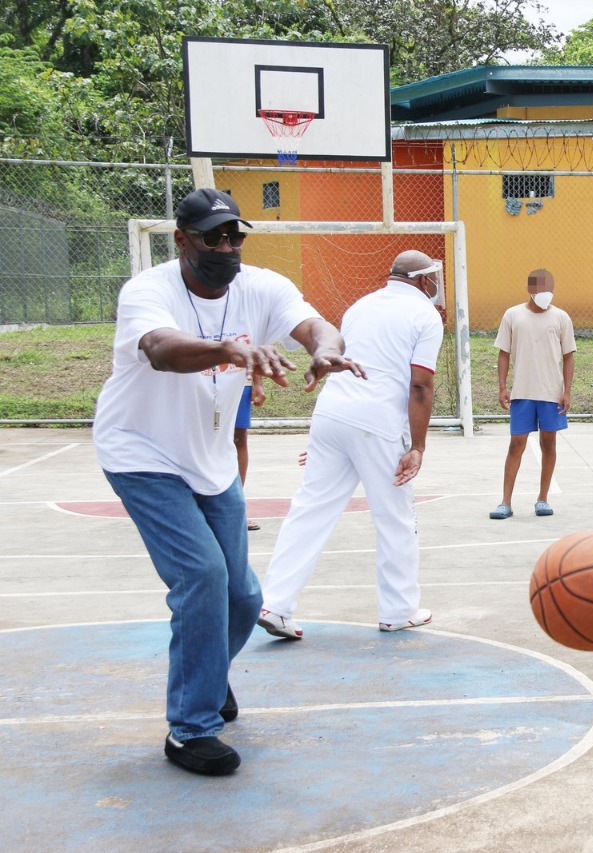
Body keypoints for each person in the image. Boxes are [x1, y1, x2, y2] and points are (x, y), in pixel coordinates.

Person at [94, 187, 362, 776]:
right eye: (212, 236)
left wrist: (327, 350)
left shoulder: (260, 287)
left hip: (210, 461)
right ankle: (190, 730)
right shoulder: (148, 291)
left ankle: (207, 679)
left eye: (234, 235)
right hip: (140, 451)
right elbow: (162, 351)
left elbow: (317, 326)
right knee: (202, 575)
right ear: (182, 240)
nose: (225, 246)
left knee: (244, 598)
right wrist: (229, 349)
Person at [257, 250, 445, 640]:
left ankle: (274, 604)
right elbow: (420, 384)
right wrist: (418, 446)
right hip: (376, 424)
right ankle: (398, 610)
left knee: (309, 509)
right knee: (395, 517)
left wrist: (333, 445)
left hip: (331, 415)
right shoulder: (424, 316)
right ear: (424, 281)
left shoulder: (360, 306)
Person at [489, 268, 576, 520]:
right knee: (516, 444)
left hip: (551, 394)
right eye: (540, 289)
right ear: (530, 289)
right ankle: (505, 502)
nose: (545, 294)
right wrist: (503, 387)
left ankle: (542, 499)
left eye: (549, 289)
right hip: (522, 393)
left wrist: (566, 392)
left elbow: (568, 356)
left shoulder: (561, 318)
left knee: (548, 443)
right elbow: (503, 353)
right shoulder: (513, 315)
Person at [234, 383, 265, 531]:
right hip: (201, 379)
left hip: (238, 381)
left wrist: (257, 383)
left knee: (239, 439)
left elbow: (254, 359)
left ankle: (235, 510)